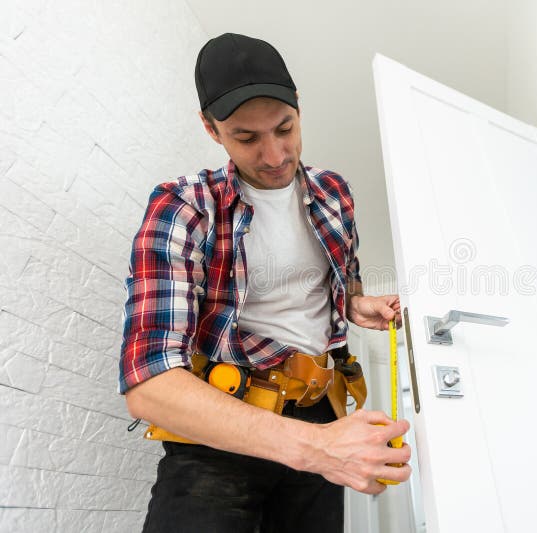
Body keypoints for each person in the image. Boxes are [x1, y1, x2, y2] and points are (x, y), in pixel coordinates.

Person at [118, 33, 411, 532]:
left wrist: (354, 304)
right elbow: (150, 384)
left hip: (322, 411)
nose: (275, 155)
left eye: (285, 128)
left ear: (298, 107)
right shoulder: (185, 207)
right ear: (211, 130)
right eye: (246, 138)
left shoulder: (334, 193)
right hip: (220, 438)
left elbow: (343, 279)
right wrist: (319, 450)